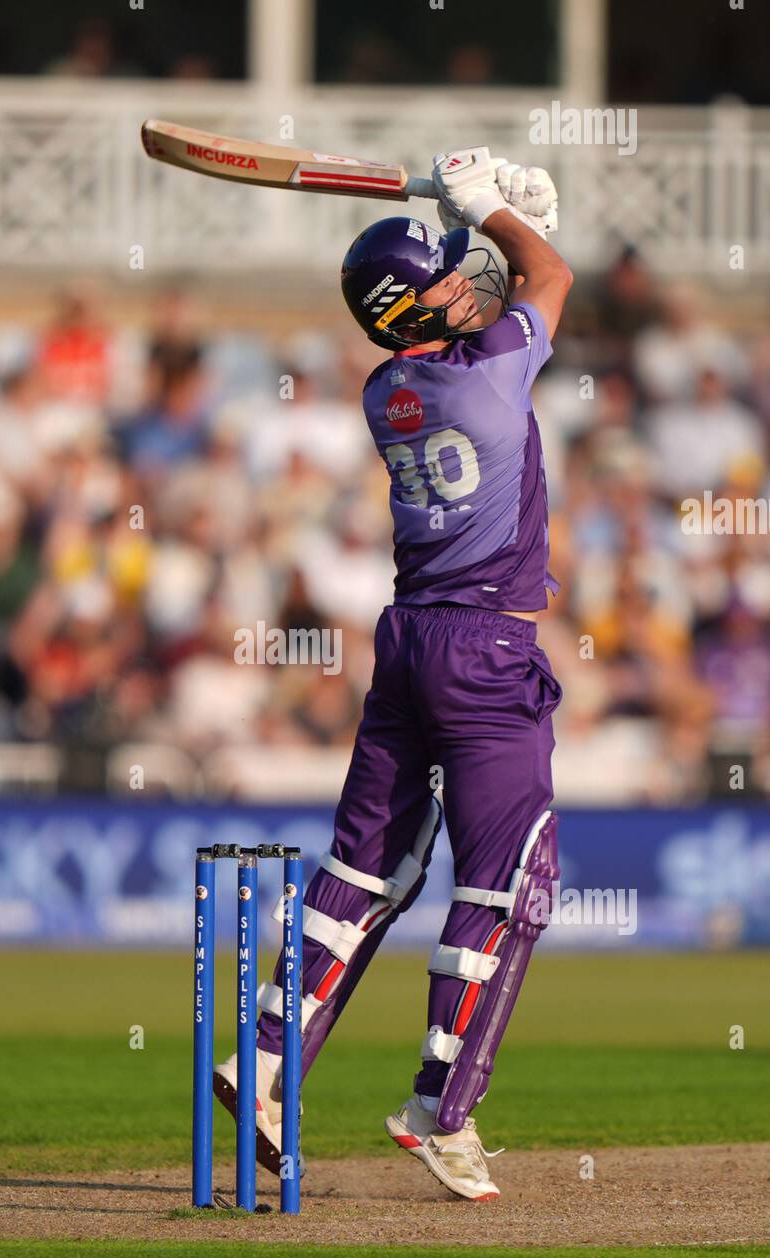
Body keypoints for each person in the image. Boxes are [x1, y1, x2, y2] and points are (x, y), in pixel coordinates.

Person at [215, 152, 572, 1201]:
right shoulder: (489, 370)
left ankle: (266, 1063)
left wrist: (505, 220)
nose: (468, 284)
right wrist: (499, 212)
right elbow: (546, 283)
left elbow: (506, 284)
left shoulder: (390, 387)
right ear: (416, 305)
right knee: (508, 883)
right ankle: (441, 1107)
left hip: (408, 642)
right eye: (445, 276)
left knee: (365, 871)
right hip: (486, 653)